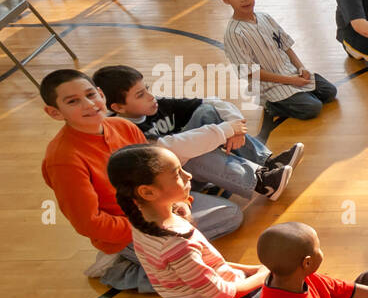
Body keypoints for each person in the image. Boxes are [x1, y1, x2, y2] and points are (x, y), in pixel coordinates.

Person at [39, 69, 241, 293]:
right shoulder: (64, 159)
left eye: (90, 95)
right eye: (73, 101)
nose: (88, 104)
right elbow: (89, 223)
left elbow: (155, 174)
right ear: (55, 112)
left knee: (231, 214)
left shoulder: (124, 127)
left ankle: (158, 255)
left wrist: (179, 205)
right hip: (128, 231)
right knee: (190, 277)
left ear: (101, 94)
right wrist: (151, 227)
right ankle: (120, 268)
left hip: (159, 211)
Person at [108, 144, 268, 298]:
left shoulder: (142, 223)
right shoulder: (176, 245)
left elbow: (205, 266)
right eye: (177, 173)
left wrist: (251, 269)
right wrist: (262, 276)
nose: (188, 175)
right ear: (148, 192)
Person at [94, 64, 299, 203]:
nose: (151, 96)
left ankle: (267, 163)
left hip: (190, 170)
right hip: (171, 185)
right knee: (185, 152)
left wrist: (235, 126)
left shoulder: (156, 105)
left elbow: (211, 102)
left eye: (147, 88)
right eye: (141, 95)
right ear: (118, 107)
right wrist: (226, 130)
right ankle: (262, 183)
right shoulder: (125, 130)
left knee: (207, 113)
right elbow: (171, 149)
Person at [219, 0, 339, 120]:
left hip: (291, 73)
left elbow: (286, 46)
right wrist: (292, 81)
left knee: (330, 92)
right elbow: (251, 72)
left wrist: (301, 68)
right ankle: (271, 105)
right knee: (313, 108)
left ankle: (298, 95)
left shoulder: (265, 17)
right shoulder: (234, 34)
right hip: (269, 86)